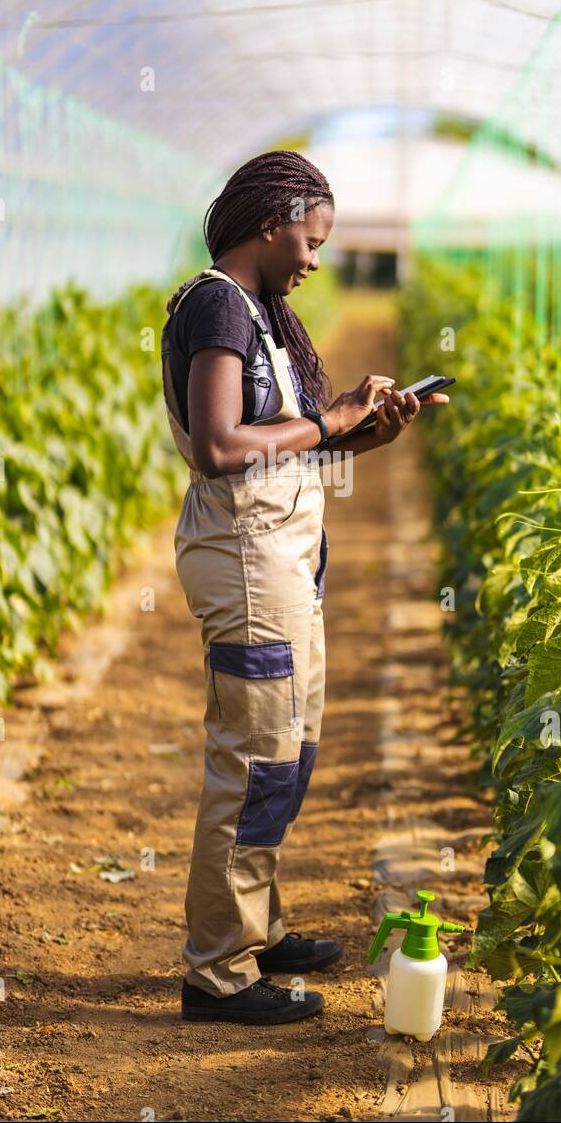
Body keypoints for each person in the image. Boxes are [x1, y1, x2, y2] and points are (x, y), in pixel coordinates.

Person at [159, 150, 449, 1025]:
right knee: (254, 760)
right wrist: (329, 419)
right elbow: (221, 446)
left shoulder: (260, 315)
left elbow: (290, 440)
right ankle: (217, 972)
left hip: (283, 557)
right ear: (270, 223)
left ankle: (258, 925)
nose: (316, 260)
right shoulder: (218, 304)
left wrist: (368, 429)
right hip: (246, 558)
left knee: (288, 751)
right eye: (311, 241)